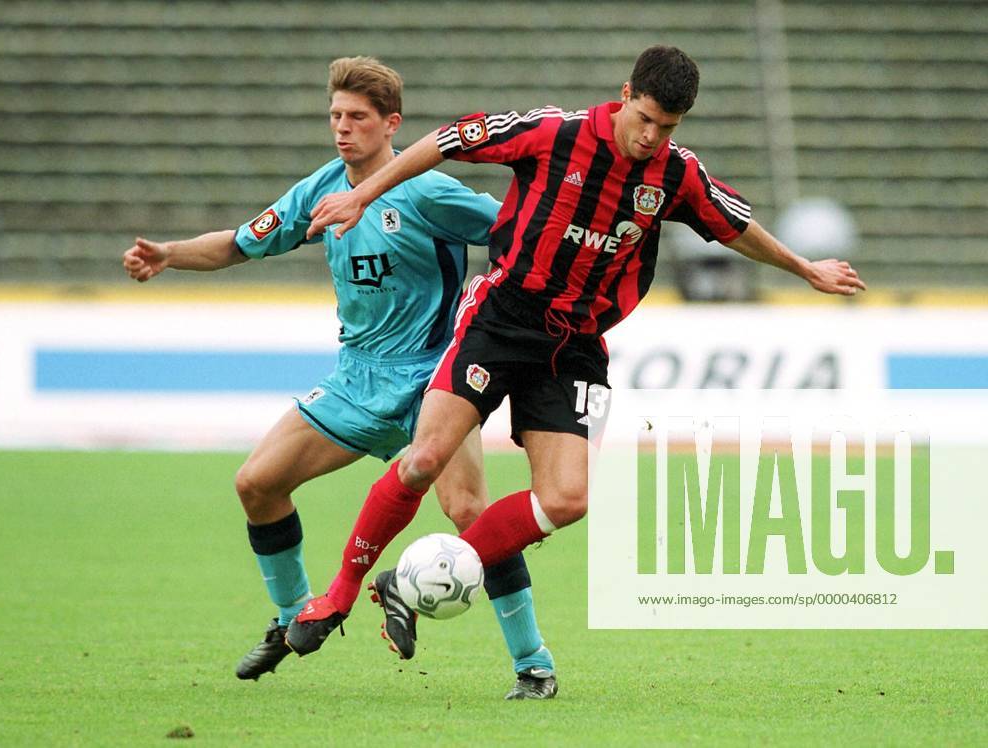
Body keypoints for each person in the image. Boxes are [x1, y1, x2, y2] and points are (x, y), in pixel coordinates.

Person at [289, 45, 868, 665]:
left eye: (667, 128)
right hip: (500, 320)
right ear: (625, 93)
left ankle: (406, 583)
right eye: (644, 119)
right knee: (424, 457)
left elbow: (735, 227)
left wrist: (803, 267)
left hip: (575, 347)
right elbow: (448, 140)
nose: (651, 137)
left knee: (567, 499)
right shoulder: (552, 133)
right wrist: (364, 194)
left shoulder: (677, 175)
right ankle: (340, 594)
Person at [122, 56, 559, 700]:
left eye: (357, 117)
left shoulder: (427, 190)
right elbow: (242, 243)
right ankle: (293, 615)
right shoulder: (320, 190)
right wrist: (170, 255)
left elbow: (517, 233)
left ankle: (534, 665)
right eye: (335, 116)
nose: (342, 128)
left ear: (392, 125)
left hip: (433, 380)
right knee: (257, 483)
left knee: (470, 512)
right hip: (356, 380)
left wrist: (497, 297)